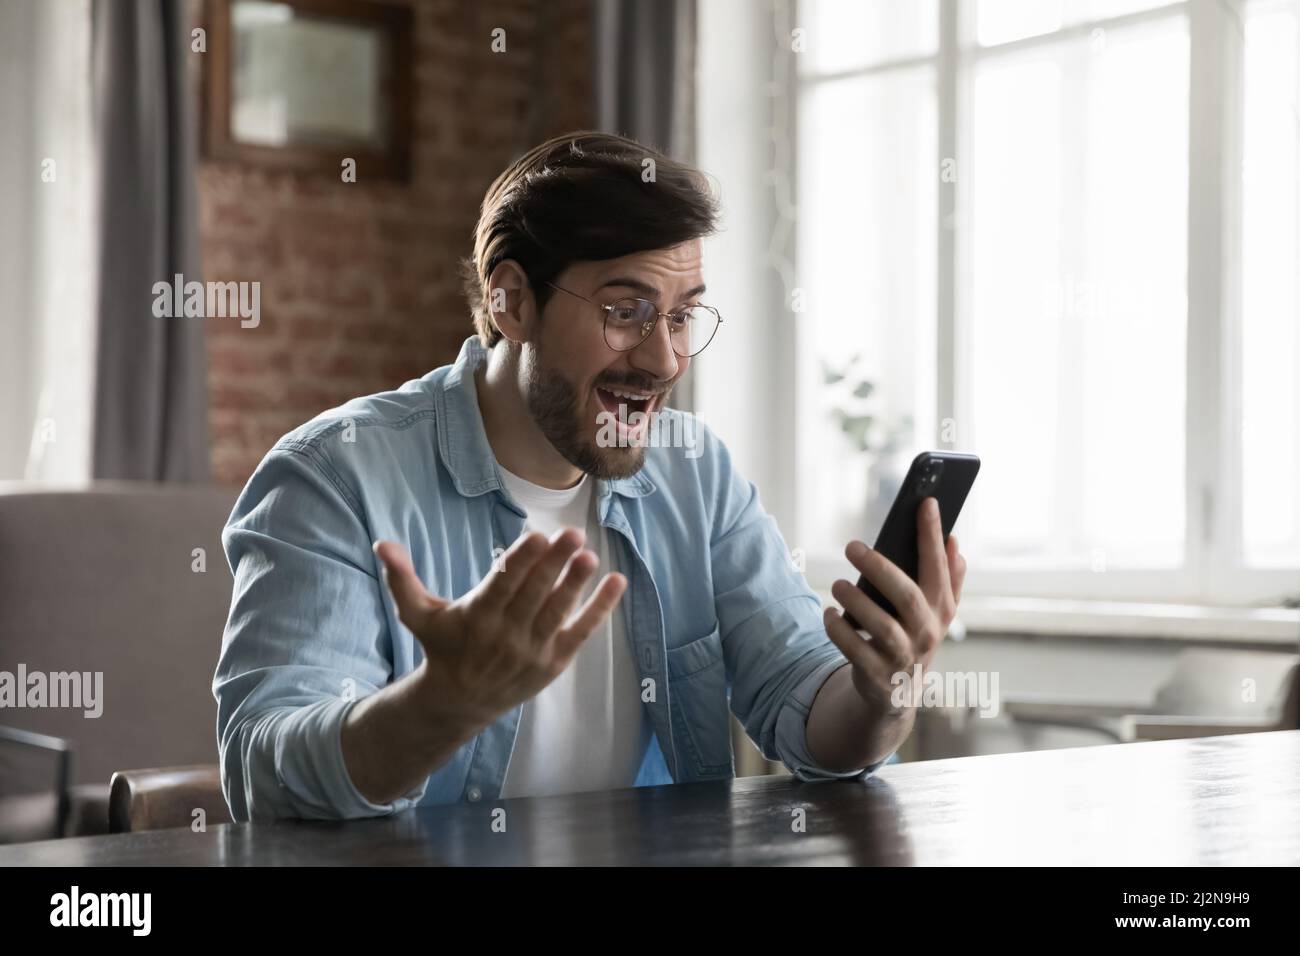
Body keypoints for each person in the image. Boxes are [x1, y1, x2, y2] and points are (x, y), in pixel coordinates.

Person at [212, 130, 967, 822]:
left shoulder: (694, 473)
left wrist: (882, 693)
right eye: (626, 310)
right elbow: (263, 770)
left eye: (680, 317)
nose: (666, 359)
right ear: (510, 302)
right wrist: (437, 705)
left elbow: (802, 699)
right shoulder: (334, 477)